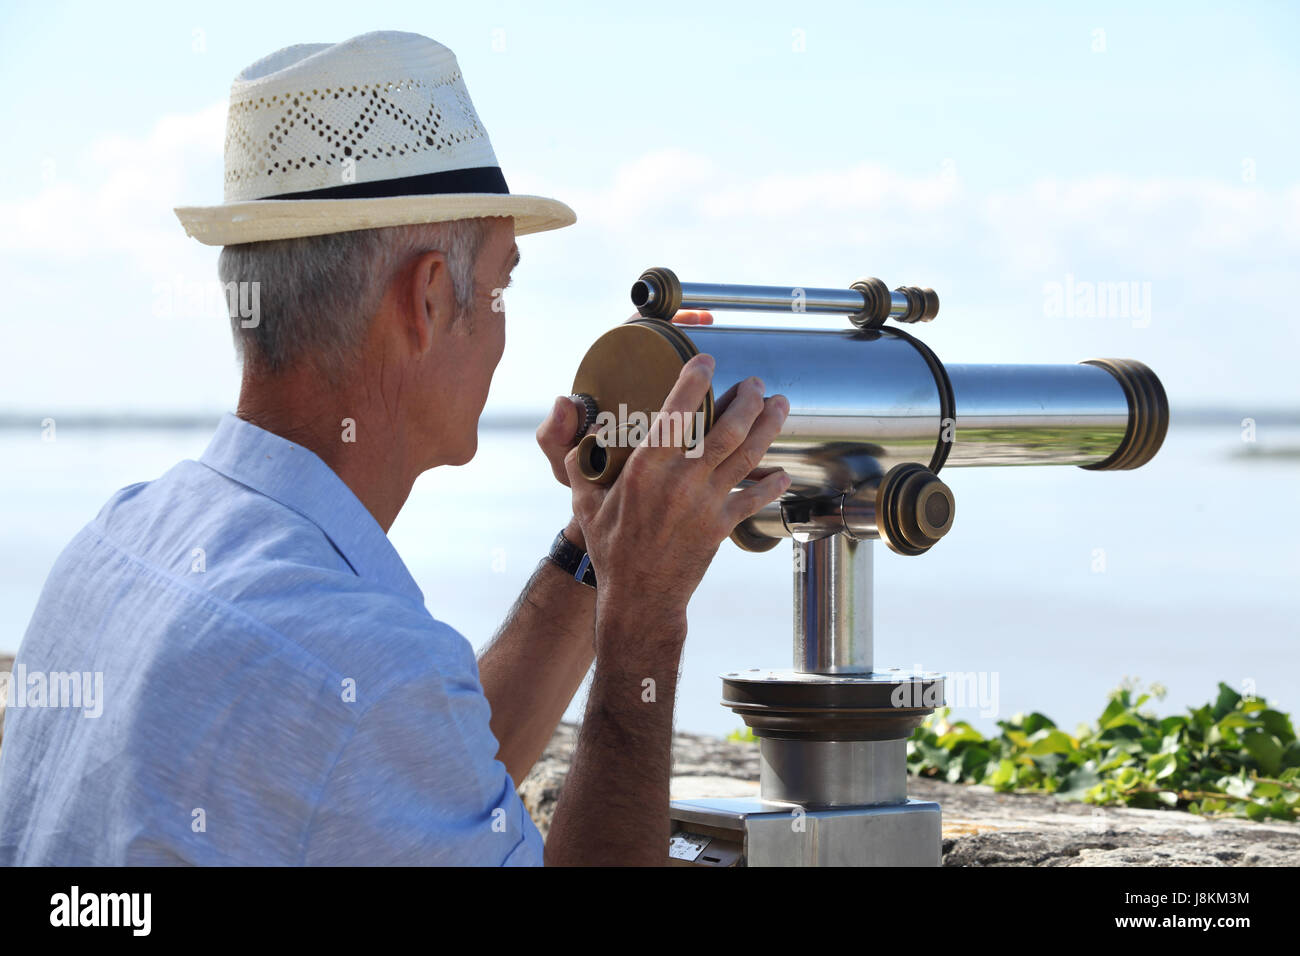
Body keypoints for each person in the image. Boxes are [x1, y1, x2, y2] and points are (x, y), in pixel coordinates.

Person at [0, 31, 789, 866]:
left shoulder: (116, 540)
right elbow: (370, 714)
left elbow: (425, 781)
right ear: (429, 297)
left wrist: (596, 554)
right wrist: (646, 616)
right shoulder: (360, 666)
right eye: (502, 284)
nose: (505, 329)